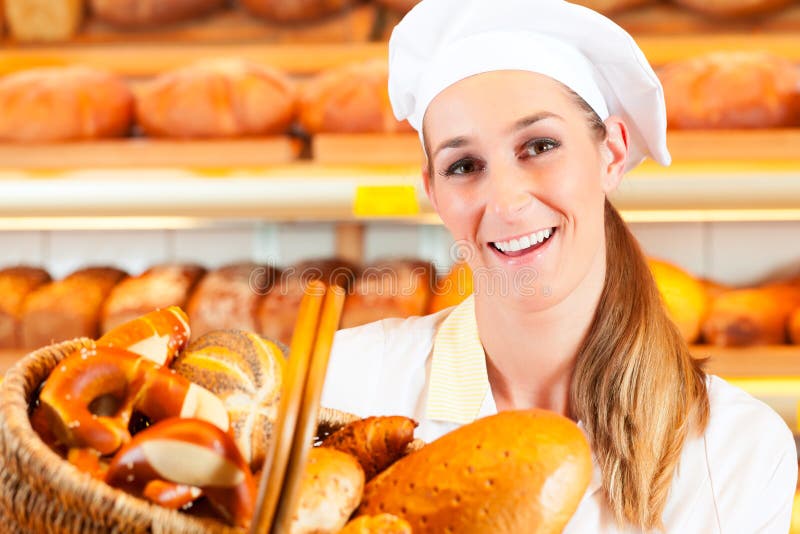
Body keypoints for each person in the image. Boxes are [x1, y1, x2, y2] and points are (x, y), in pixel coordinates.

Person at [320, 0, 798, 531]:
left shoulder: (735, 453)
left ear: (611, 153)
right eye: (463, 165)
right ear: (434, 192)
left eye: (539, 146)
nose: (505, 201)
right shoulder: (344, 387)